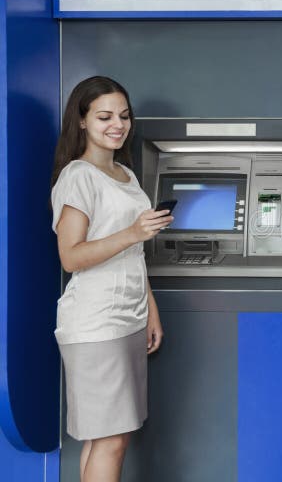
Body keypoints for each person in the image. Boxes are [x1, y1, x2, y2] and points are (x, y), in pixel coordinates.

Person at [50, 76, 173, 482]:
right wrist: (133, 232)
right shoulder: (78, 176)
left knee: (102, 439)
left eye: (123, 116)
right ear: (81, 121)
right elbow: (71, 256)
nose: (117, 125)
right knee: (111, 440)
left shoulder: (125, 174)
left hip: (128, 318)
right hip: (96, 323)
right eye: (104, 117)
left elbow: (132, 255)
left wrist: (150, 310)